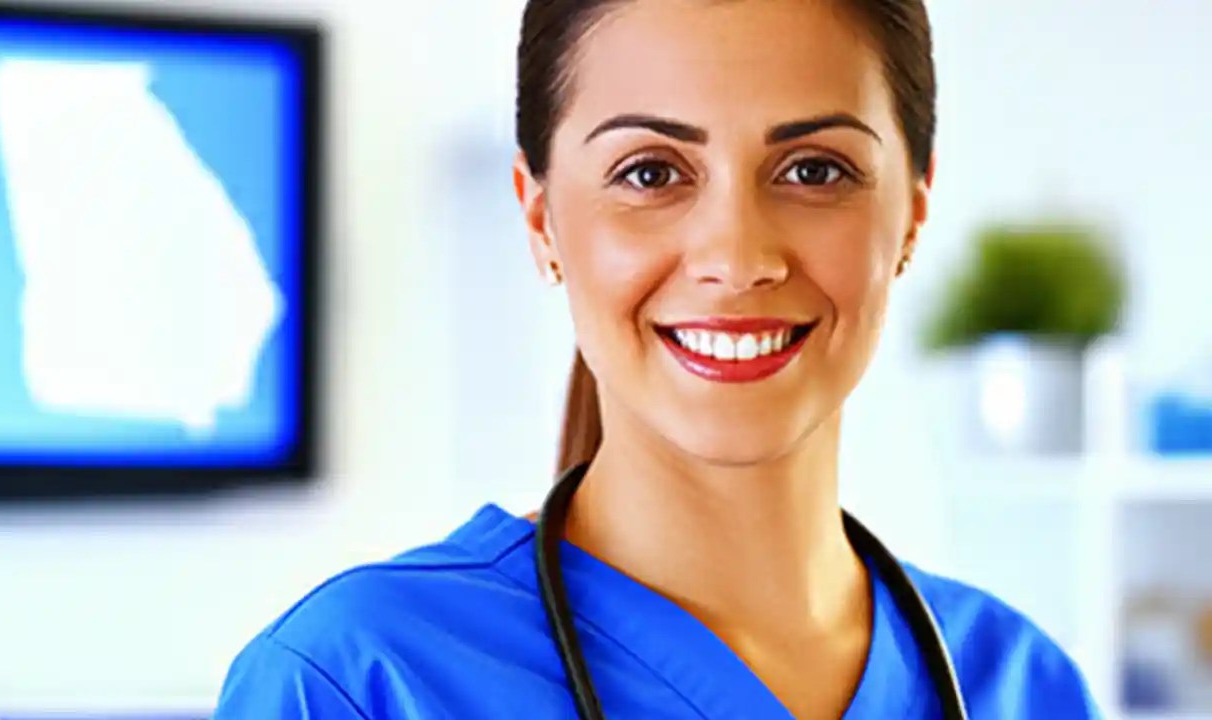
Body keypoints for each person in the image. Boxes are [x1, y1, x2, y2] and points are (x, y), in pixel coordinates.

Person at [212, 0, 1101, 717]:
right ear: (541, 218)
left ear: (911, 211)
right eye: (651, 172)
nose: (738, 255)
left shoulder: (1019, 686)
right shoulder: (355, 683)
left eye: (814, 170)